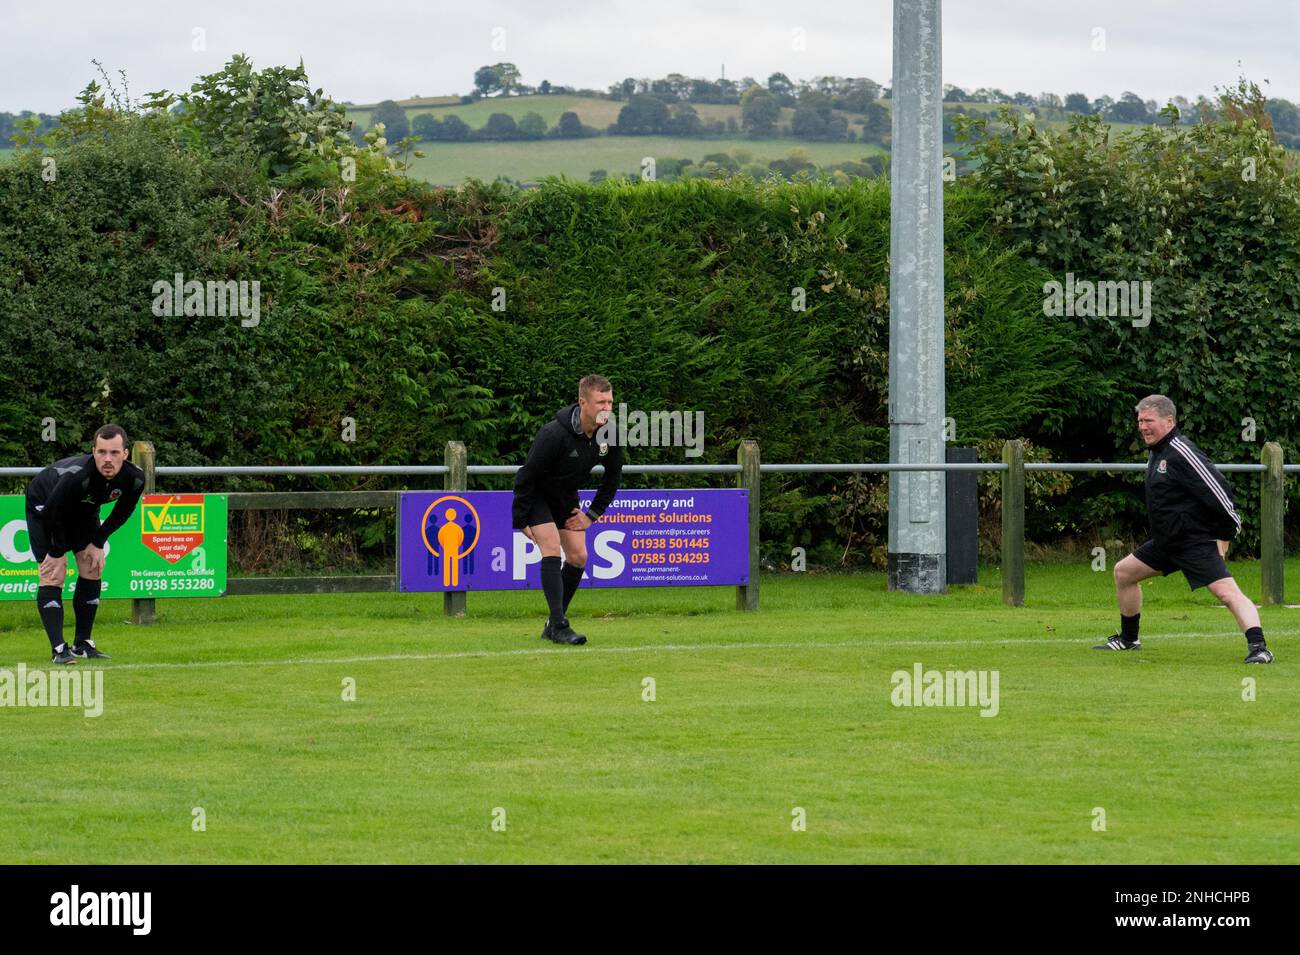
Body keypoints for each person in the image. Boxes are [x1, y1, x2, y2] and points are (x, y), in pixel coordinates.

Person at [1095, 395, 1273, 664]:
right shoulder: (1157, 453)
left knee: (1228, 594)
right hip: (1166, 544)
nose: (1143, 427)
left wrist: (1225, 534)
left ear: (1169, 420)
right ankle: (1129, 640)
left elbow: (1220, 492)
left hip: (1194, 543)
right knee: (1124, 573)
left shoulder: (1181, 451)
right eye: (1140, 421)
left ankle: (1259, 648)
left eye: (1149, 421)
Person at [512, 375, 624, 646]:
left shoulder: (611, 433)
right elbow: (526, 476)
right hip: (539, 496)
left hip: (566, 498)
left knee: (578, 556)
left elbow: (613, 479)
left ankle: (553, 624)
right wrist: (521, 519)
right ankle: (561, 626)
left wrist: (591, 515)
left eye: (610, 402)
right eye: (600, 402)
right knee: (550, 547)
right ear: (583, 402)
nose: (606, 408)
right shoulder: (554, 434)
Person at [25, 424, 146, 663]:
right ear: (93, 452)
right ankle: (59, 649)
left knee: (92, 565)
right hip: (44, 506)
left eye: (114, 452)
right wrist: (57, 551)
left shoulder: (134, 479)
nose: (107, 459)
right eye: (101, 452)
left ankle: (82, 643)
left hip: (84, 509)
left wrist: (98, 542)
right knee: (53, 574)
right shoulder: (77, 476)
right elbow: (52, 512)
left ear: (125, 454)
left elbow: (124, 510)